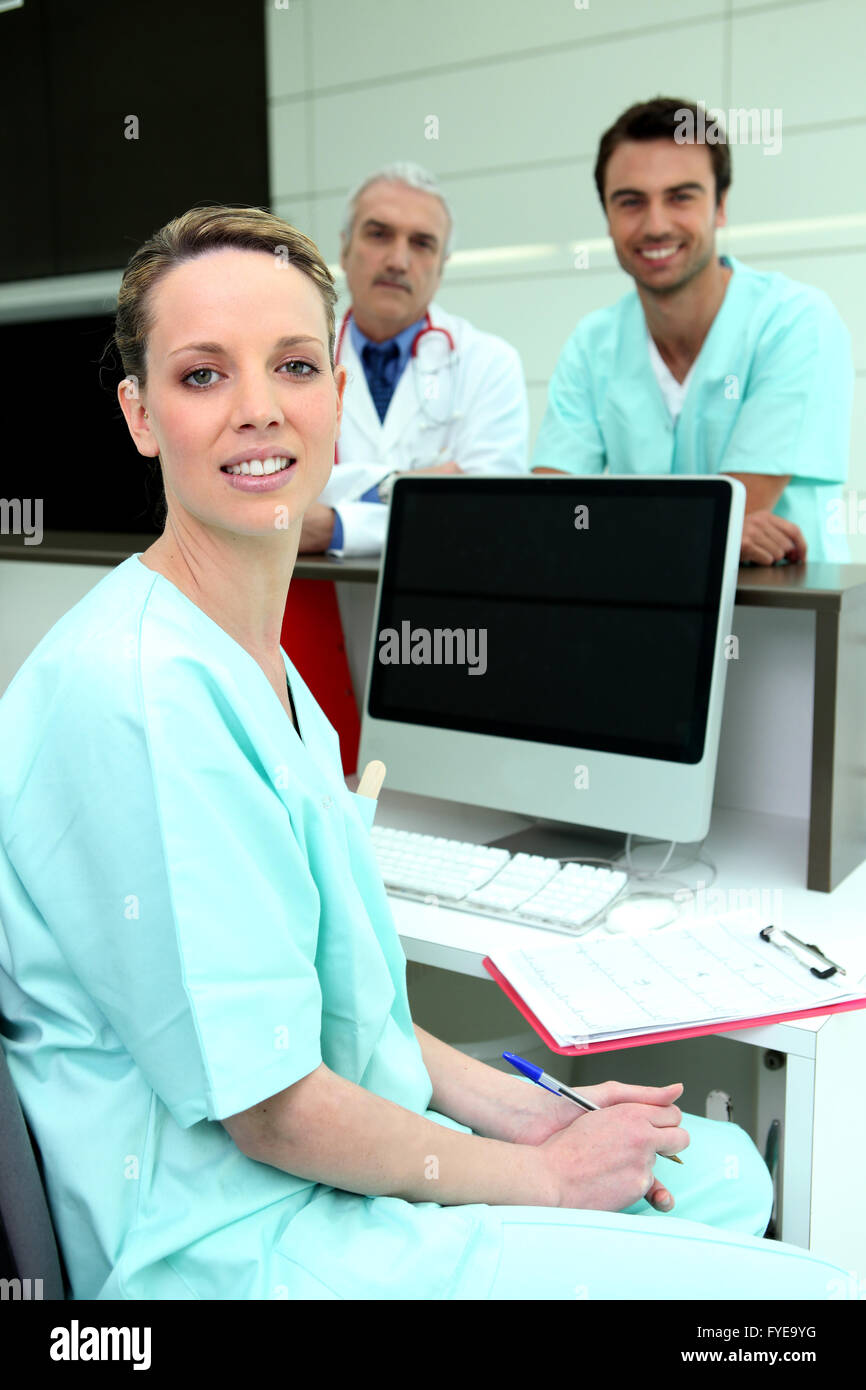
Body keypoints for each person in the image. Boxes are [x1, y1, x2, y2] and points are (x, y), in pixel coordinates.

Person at [0, 204, 848, 1301]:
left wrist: (534, 1111)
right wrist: (538, 1177)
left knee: (717, 1169)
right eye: (202, 375)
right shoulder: (140, 699)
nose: (258, 409)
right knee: (806, 1299)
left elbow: (354, 1016)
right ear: (139, 414)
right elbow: (270, 1106)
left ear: (336, 396)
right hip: (229, 1235)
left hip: (318, 1153)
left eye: (294, 364)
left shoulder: (256, 663)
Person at [532, 98, 853, 566]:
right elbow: (547, 514)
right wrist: (709, 528)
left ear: (720, 206)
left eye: (681, 197)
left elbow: (737, 508)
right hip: (642, 619)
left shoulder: (793, 321)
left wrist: (605, 523)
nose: (656, 225)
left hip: (782, 623)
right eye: (630, 202)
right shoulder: (592, 343)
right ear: (607, 216)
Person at [299, 162, 529, 558]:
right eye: (378, 234)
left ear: (441, 266)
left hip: (444, 608)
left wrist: (337, 526)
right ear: (345, 248)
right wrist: (416, 487)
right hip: (317, 606)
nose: (398, 261)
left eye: (422, 243)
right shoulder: (294, 358)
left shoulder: (489, 363)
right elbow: (274, 500)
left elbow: (487, 512)